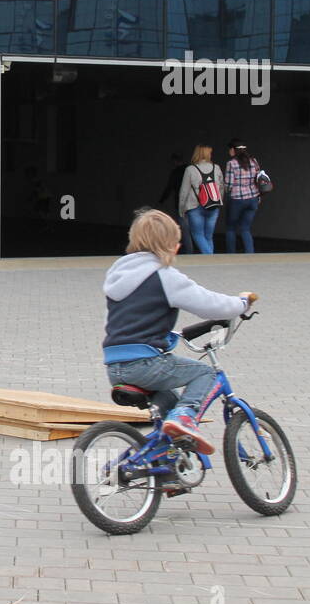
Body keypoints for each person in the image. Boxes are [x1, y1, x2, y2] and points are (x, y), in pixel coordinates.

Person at [102, 208, 258, 454]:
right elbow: (208, 305)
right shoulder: (164, 276)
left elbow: (125, 321)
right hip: (146, 363)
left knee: (169, 402)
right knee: (204, 374)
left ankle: (166, 462)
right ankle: (186, 417)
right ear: (171, 246)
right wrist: (240, 304)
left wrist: (167, 336)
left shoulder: (118, 273)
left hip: (114, 365)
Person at [178, 144, 225, 254]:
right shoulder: (216, 168)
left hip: (195, 206)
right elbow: (222, 187)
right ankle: (211, 260)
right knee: (208, 236)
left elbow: (184, 191)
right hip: (213, 205)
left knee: (197, 234)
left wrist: (181, 209)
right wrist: (218, 200)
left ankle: (211, 259)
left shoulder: (190, 169)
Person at [224, 139, 262, 253]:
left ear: (233, 150)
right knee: (245, 228)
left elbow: (229, 184)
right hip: (253, 198)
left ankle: (231, 254)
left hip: (237, 199)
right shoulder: (253, 161)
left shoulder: (231, 163)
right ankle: (250, 254)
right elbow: (259, 179)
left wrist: (225, 191)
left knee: (231, 228)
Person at [156, 152, 193, 255]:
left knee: (183, 229)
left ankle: (188, 251)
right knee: (192, 229)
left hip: (180, 203)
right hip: (193, 203)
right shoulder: (189, 170)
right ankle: (188, 249)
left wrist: (161, 200)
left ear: (175, 161)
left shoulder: (175, 172)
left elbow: (169, 187)